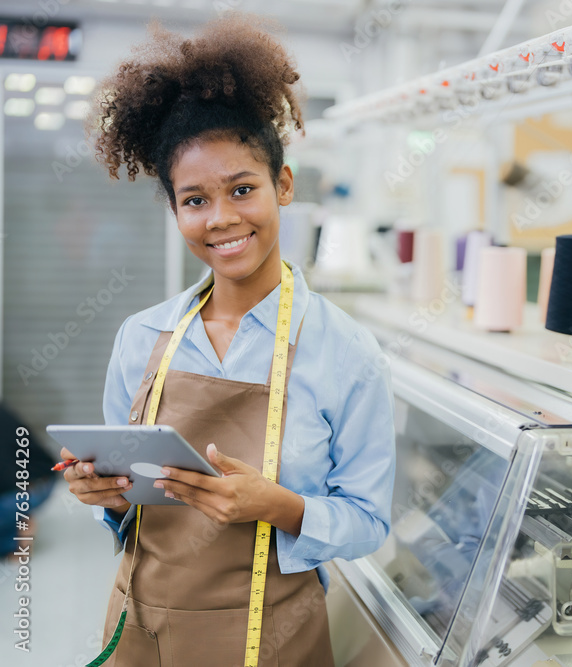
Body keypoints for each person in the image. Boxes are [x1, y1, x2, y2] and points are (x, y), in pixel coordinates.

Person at [60, 16, 394, 666]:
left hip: (273, 636)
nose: (221, 218)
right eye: (194, 199)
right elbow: (126, 495)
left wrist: (282, 506)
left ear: (284, 186)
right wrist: (104, 495)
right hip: (143, 631)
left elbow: (369, 520)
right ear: (175, 208)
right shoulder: (141, 338)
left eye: (243, 189)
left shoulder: (344, 351)